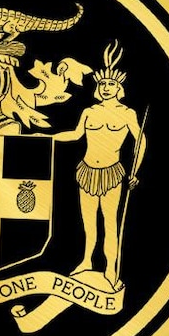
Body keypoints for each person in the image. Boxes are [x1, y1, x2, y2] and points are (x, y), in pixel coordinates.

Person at [54, 42, 146, 288]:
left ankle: (110, 268)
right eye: (103, 84)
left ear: (119, 88)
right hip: (86, 171)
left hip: (111, 173)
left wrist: (135, 171)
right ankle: (86, 261)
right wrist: (49, 137)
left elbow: (141, 141)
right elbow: (75, 135)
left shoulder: (127, 113)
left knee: (109, 222)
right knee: (88, 222)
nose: (106, 88)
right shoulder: (89, 111)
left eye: (111, 85)